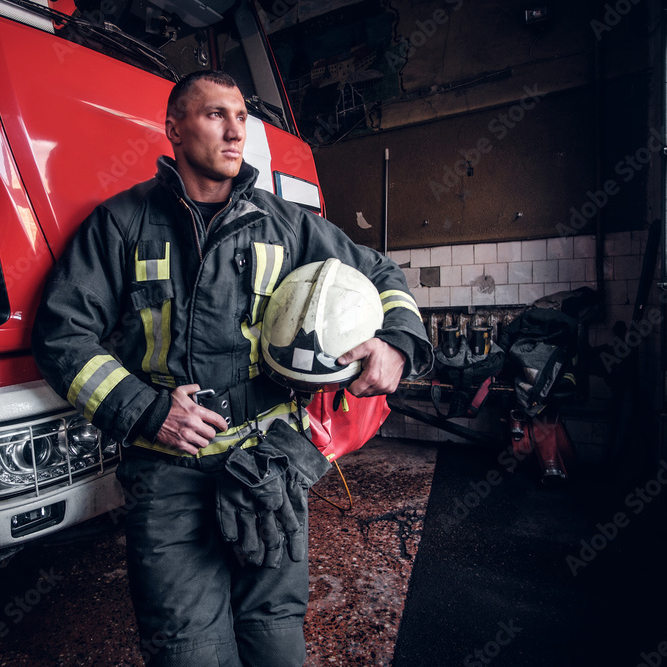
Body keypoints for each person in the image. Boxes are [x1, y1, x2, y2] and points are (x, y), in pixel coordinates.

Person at [32, 70, 432, 666]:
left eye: (242, 117)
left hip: (267, 468)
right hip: (169, 475)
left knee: (274, 634)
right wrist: (146, 410)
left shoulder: (288, 224)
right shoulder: (121, 224)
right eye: (216, 114)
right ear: (173, 128)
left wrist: (396, 341)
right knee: (186, 648)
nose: (235, 130)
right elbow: (63, 334)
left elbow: (380, 274)